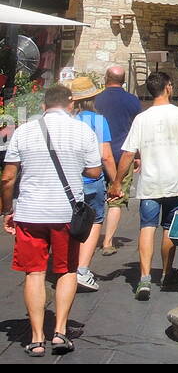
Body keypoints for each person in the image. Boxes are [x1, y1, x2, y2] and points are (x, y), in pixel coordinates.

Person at [2, 84, 101, 356]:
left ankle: (35, 338)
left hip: (30, 213)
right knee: (66, 270)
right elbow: (94, 171)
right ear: (71, 105)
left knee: (34, 272)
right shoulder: (83, 131)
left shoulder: (23, 132)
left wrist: (7, 210)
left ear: (44, 106)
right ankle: (59, 332)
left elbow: (8, 177)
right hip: (65, 213)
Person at [107, 71, 178, 301]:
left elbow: (128, 154)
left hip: (149, 183)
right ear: (168, 87)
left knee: (147, 227)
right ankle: (167, 273)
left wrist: (117, 182)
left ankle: (145, 278)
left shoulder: (142, 118)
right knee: (169, 227)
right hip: (175, 182)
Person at [70, 78, 116, 292]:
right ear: (93, 98)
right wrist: (116, 181)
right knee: (95, 219)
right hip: (93, 178)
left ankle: (67, 265)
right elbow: (106, 155)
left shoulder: (69, 121)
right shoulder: (98, 121)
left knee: (70, 222)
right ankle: (82, 269)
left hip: (71, 180)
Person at [93, 64, 143, 257]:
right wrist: (137, 156)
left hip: (96, 155)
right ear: (123, 80)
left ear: (106, 78)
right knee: (116, 197)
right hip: (123, 155)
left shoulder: (96, 99)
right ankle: (108, 242)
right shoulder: (132, 101)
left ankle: (88, 235)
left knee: (93, 197)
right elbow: (136, 130)